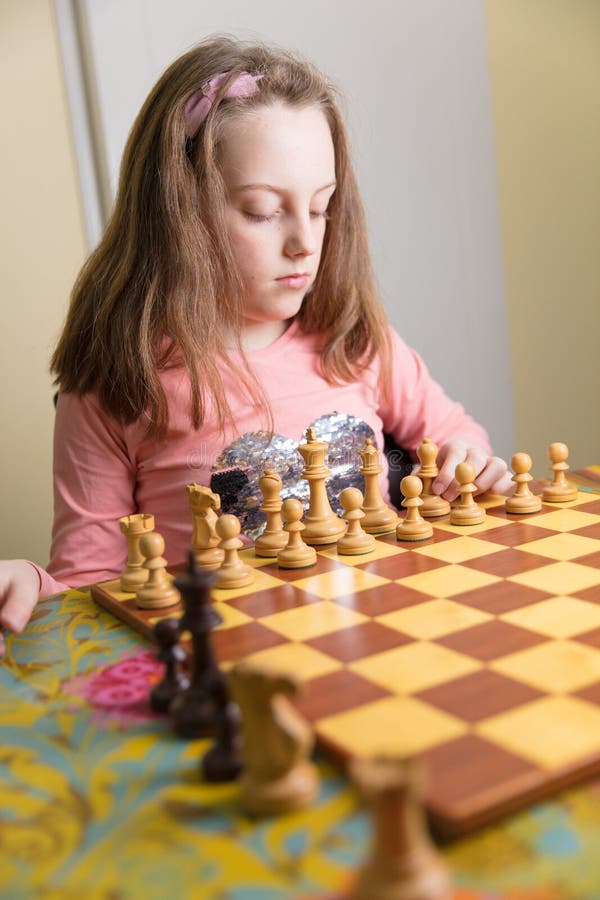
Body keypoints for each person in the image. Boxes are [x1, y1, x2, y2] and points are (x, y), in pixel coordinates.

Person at [0, 35, 512, 654]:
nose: (304, 242)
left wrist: (467, 461)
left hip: (388, 643)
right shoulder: (118, 379)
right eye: (263, 210)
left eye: (322, 208)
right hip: (237, 670)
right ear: (179, 209)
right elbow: (96, 587)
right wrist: (29, 582)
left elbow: (460, 439)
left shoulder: (355, 341)